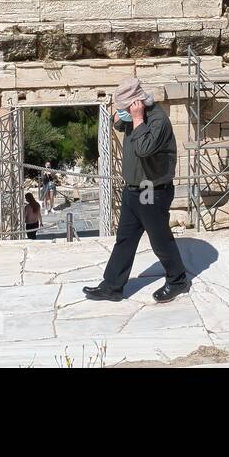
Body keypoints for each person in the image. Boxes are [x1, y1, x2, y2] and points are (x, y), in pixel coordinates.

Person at [83, 77, 189, 304]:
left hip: (150, 189)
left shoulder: (158, 121)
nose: (124, 112)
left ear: (137, 104)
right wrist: (123, 116)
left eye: (126, 107)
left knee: (159, 238)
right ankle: (112, 286)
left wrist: (138, 119)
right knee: (125, 239)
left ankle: (178, 279)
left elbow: (143, 149)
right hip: (134, 189)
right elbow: (119, 124)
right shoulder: (133, 117)